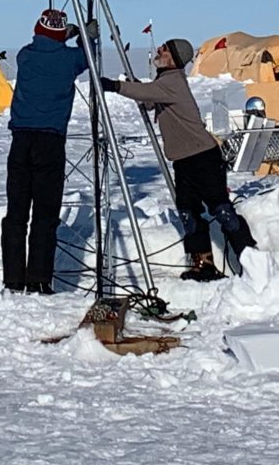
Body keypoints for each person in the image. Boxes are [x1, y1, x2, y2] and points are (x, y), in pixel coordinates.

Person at [101, 37, 256, 282]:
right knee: (189, 212)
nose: (159, 50)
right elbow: (148, 99)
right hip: (184, 160)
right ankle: (203, 263)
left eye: (164, 49)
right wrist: (132, 86)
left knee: (221, 209)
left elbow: (146, 93)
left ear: (172, 58)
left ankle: (252, 259)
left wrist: (115, 86)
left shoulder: (173, 82)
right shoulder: (164, 82)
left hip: (203, 157)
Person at [1, 8, 91, 294]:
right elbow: (86, 56)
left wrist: (65, 34)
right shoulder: (69, 59)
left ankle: (13, 278)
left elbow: (44, 44)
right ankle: (39, 279)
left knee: (16, 212)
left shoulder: (25, 56)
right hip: (50, 143)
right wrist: (83, 37)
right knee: (44, 213)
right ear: (61, 34)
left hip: (21, 141)